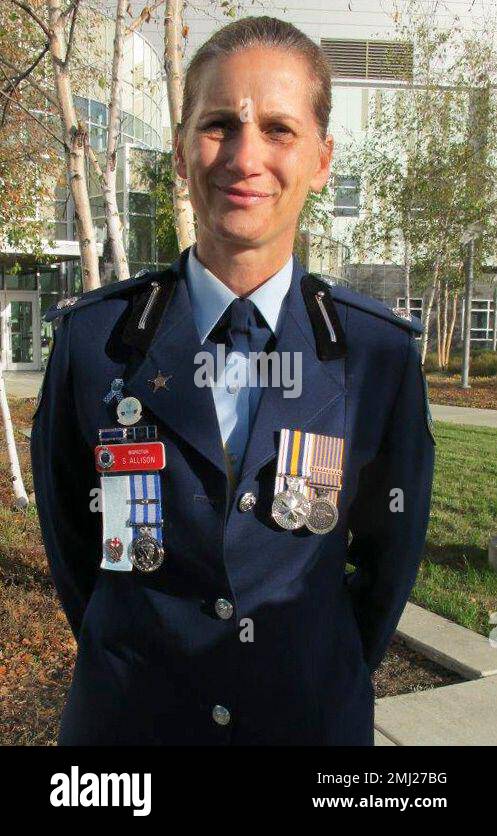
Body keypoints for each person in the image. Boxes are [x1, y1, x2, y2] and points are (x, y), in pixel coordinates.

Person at [31, 16, 435, 746]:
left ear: (321, 159)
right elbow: (75, 550)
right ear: (182, 154)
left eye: (278, 129)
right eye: (219, 125)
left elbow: (385, 566)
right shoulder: (95, 343)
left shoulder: (375, 354)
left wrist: (311, 672)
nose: (245, 157)